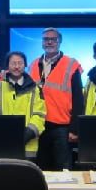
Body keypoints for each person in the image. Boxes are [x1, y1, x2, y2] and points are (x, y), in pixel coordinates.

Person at [29, 28, 83, 170]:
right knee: (41, 168)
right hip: (39, 126)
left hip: (62, 127)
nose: (49, 42)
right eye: (46, 39)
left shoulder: (71, 64)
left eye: (53, 39)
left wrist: (74, 129)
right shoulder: (34, 64)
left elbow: (78, 99)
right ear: (42, 42)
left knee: (63, 168)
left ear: (60, 42)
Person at [0, 51, 46, 159]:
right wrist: (2, 131)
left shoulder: (35, 89)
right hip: (2, 145)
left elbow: (40, 115)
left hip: (28, 147)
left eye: (20, 63)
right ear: (7, 65)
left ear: (25, 65)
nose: (17, 66)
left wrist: (26, 135)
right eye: (13, 63)